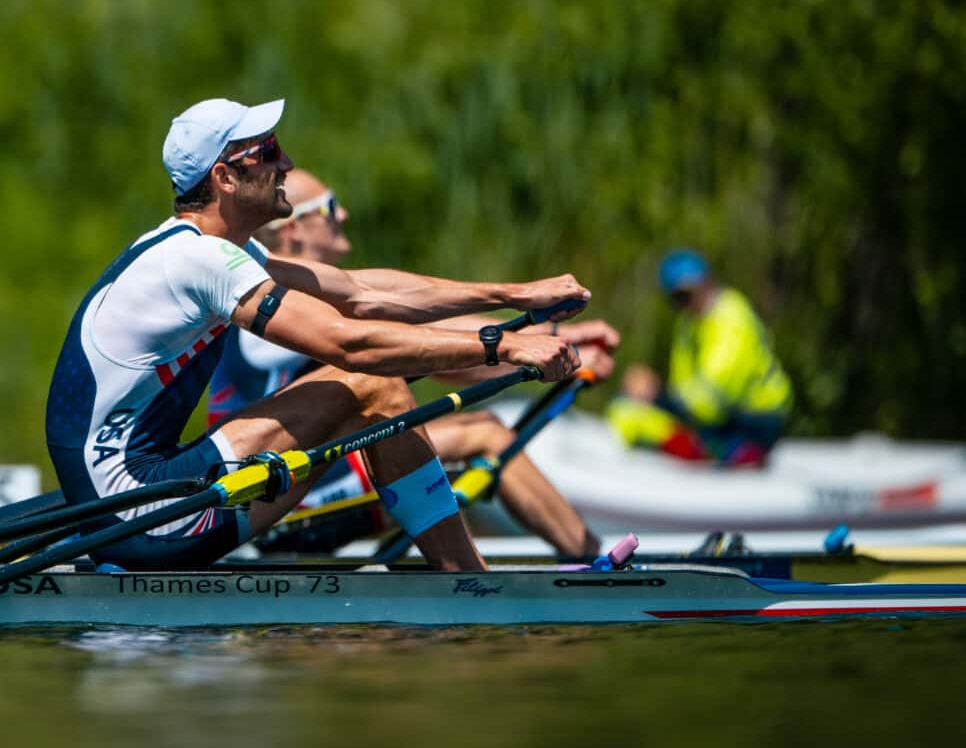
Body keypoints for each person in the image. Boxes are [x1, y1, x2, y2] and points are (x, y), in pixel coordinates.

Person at [45, 97, 586, 573]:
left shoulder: (210, 252)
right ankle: (469, 586)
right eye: (268, 151)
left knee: (375, 396)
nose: (287, 163)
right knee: (369, 384)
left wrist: (516, 294)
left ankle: (465, 581)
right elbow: (350, 343)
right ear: (224, 179)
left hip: (142, 499)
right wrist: (504, 347)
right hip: (140, 516)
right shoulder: (199, 261)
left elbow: (361, 292)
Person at [208, 168, 617, 558]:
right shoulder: (283, 304)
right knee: (484, 434)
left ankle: (479, 571)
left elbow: (432, 326)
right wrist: (550, 342)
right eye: (330, 207)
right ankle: (594, 565)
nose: (344, 214)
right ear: (294, 230)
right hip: (281, 490)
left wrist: (555, 338)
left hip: (316, 473)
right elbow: (434, 352)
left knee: (451, 467)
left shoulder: (292, 297)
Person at [607, 249, 793, 466]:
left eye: (686, 294)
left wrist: (656, 394)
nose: (683, 304)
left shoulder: (730, 319)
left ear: (708, 283)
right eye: (675, 298)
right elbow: (684, 389)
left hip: (754, 423)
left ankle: (734, 458)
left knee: (650, 417)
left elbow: (711, 400)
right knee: (624, 409)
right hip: (715, 421)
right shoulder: (688, 325)